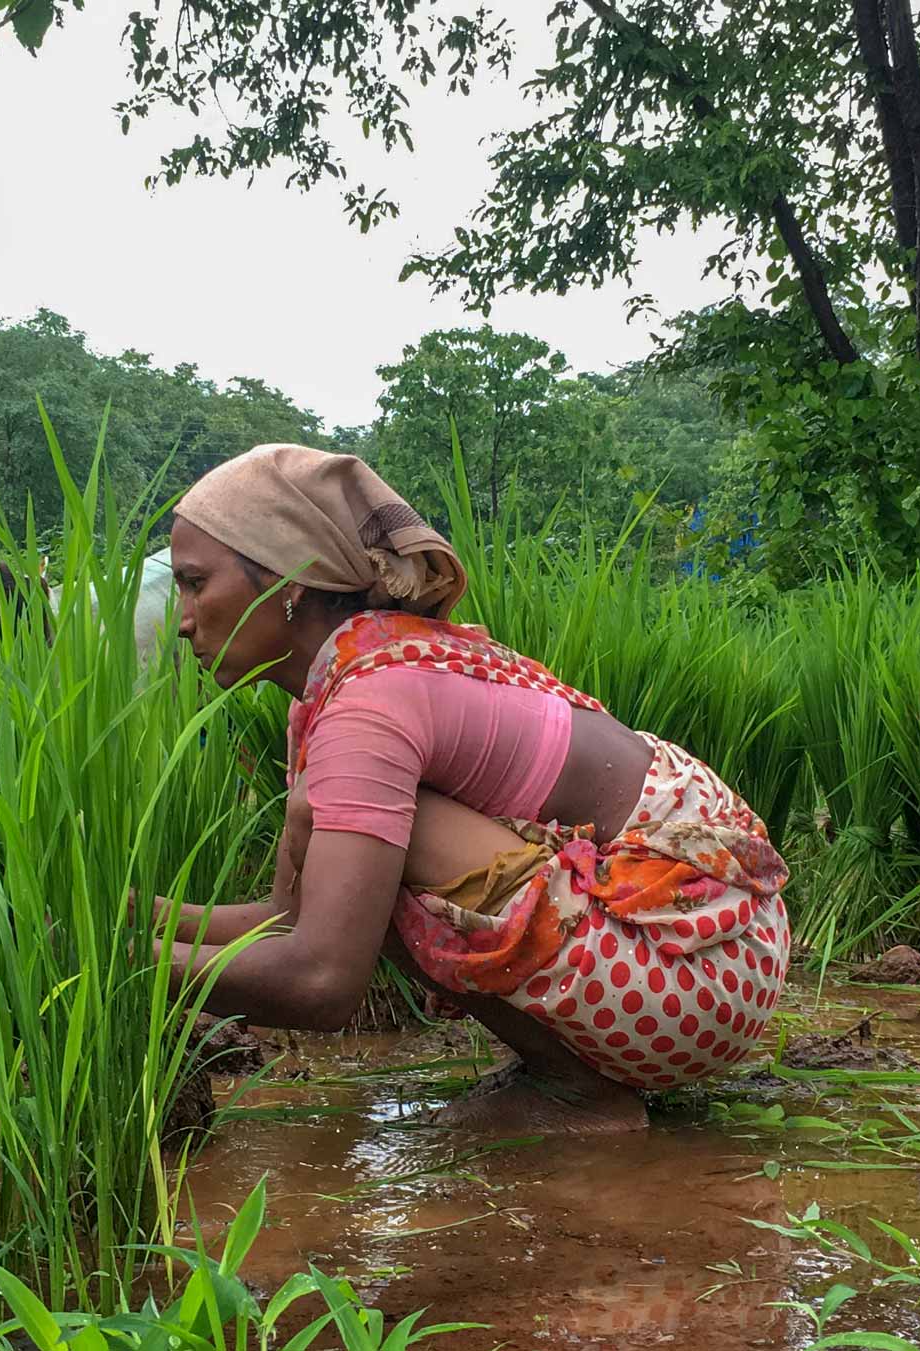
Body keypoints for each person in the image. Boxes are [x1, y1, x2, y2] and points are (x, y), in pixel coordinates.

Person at [159, 444, 791, 1134]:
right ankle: (569, 1076)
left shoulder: (368, 704)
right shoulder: (353, 676)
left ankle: (576, 1092)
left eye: (195, 583)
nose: (184, 617)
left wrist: (128, 965)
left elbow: (322, 979)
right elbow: (287, 919)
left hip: (697, 968)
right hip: (699, 949)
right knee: (346, 833)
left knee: (372, 841)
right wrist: (132, 916)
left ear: (288, 581)